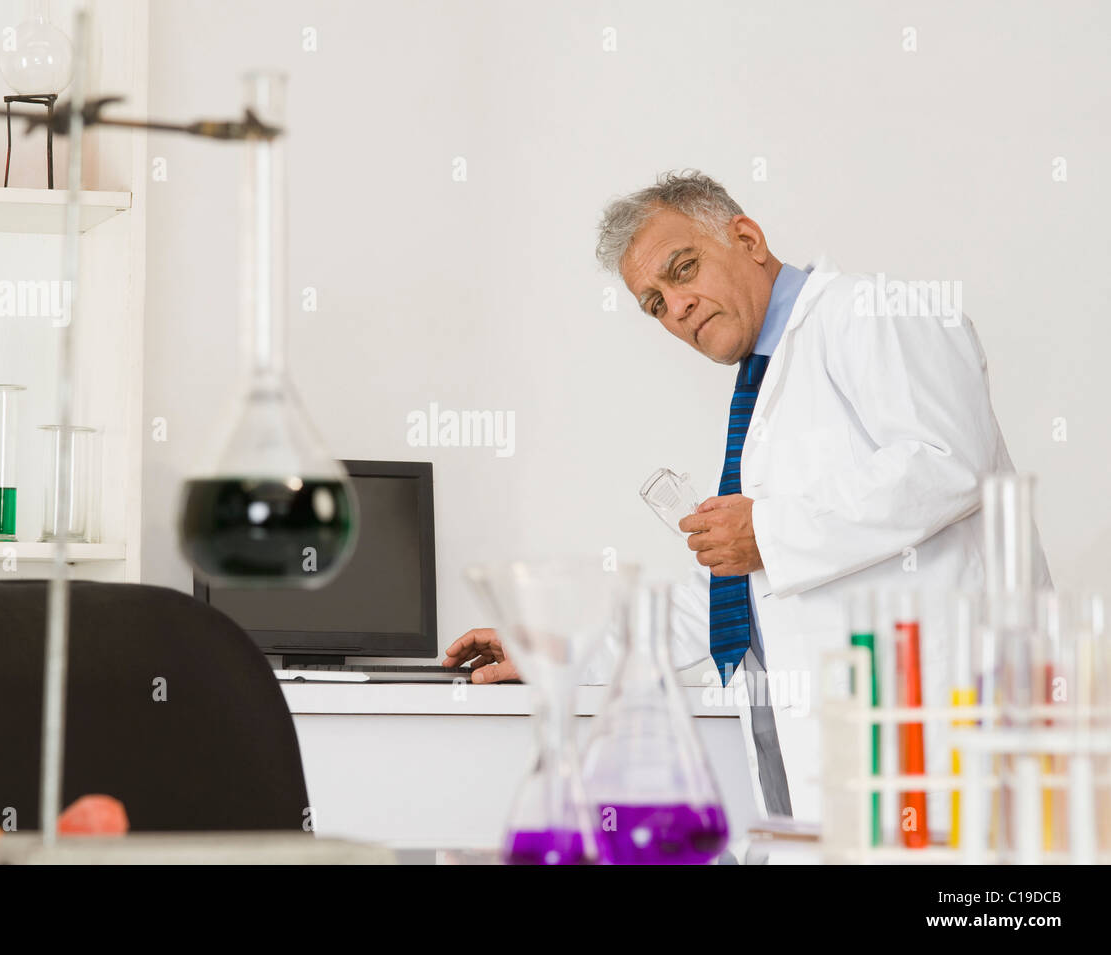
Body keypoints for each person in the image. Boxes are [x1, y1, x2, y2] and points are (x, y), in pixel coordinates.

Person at [443, 169, 1049, 823]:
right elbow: (736, 598)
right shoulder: (766, 387)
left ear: (748, 237)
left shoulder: (874, 313)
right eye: (653, 303)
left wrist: (770, 532)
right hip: (842, 759)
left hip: (948, 741)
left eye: (682, 269)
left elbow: (949, 462)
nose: (675, 307)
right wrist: (555, 643)